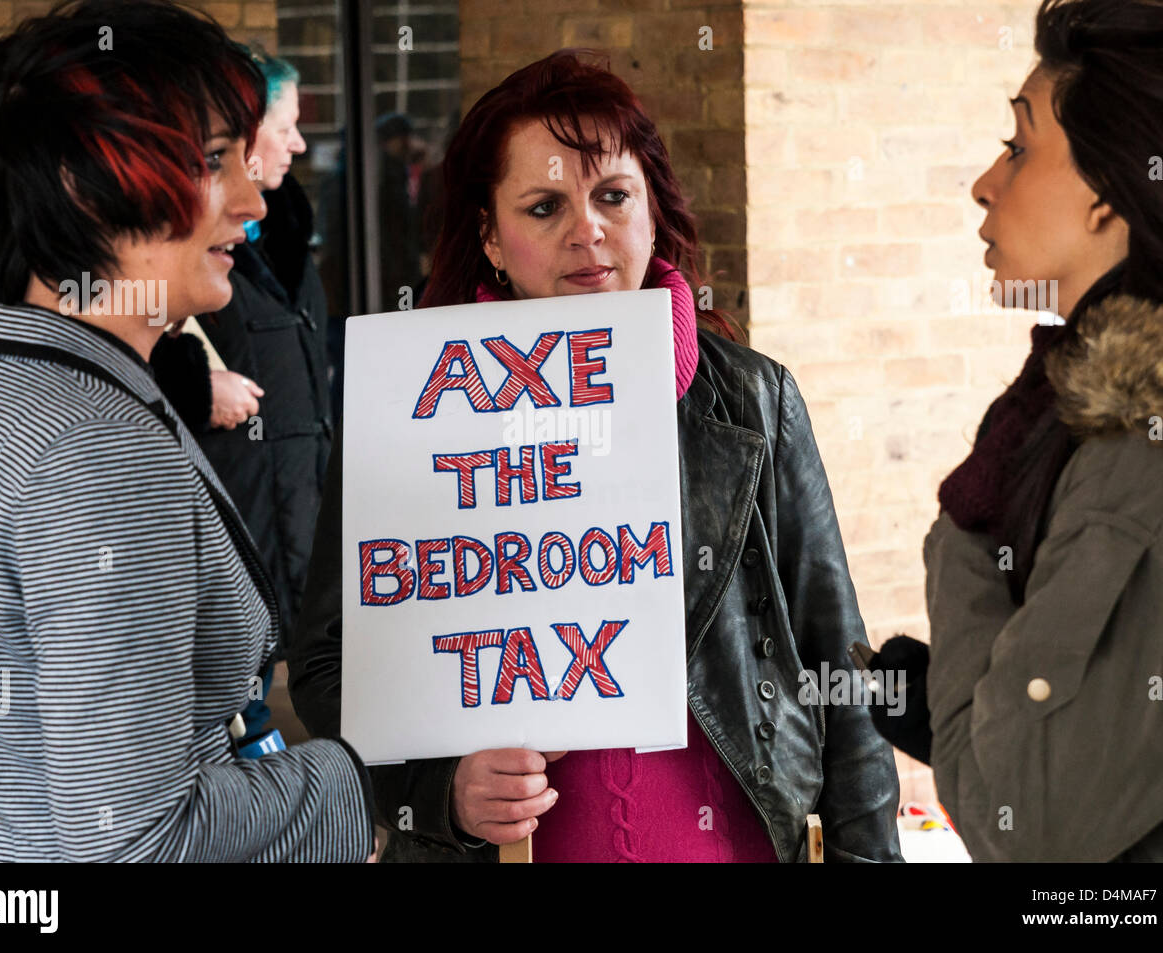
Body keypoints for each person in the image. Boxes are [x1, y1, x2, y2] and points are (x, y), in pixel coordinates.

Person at [290, 49, 902, 862]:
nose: (588, 231)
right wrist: (440, 791)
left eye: (613, 195)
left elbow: (840, 661)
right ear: (492, 238)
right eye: (544, 206)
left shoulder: (754, 399)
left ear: (653, 210)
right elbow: (330, 664)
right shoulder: (409, 407)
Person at [0, 0, 373, 861]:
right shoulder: (98, 447)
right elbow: (143, 840)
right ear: (89, 186)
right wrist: (356, 783)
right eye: (210, 164)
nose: (250, 199)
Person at [879, 0, 1163, 861]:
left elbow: (1023, 819)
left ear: (1107, 190)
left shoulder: (1156, 441)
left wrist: (969, 539)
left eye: (1020, 148)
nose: (987, 182)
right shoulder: (1096, 416)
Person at [152, 46, 330, 748]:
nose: (299, 142)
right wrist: (197, 386)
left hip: (296, 496)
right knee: (235, 692)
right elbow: (125, 334)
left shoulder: (285, 222)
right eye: (284, 124)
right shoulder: (182, 235)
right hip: (236, 497)